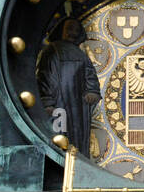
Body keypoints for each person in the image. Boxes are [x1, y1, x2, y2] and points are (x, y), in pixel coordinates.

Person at [36, 18, 100, 151]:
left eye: (77, 30)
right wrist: (47, 102)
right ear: (61, 31)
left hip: (78, 105)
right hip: (59, 101)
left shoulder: (81, 54)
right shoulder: (52, 50)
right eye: (70, 29)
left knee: (77, 135)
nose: (74, 33)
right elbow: (44, 76)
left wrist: (92, 91)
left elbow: (90, 75)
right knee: (60, 135)